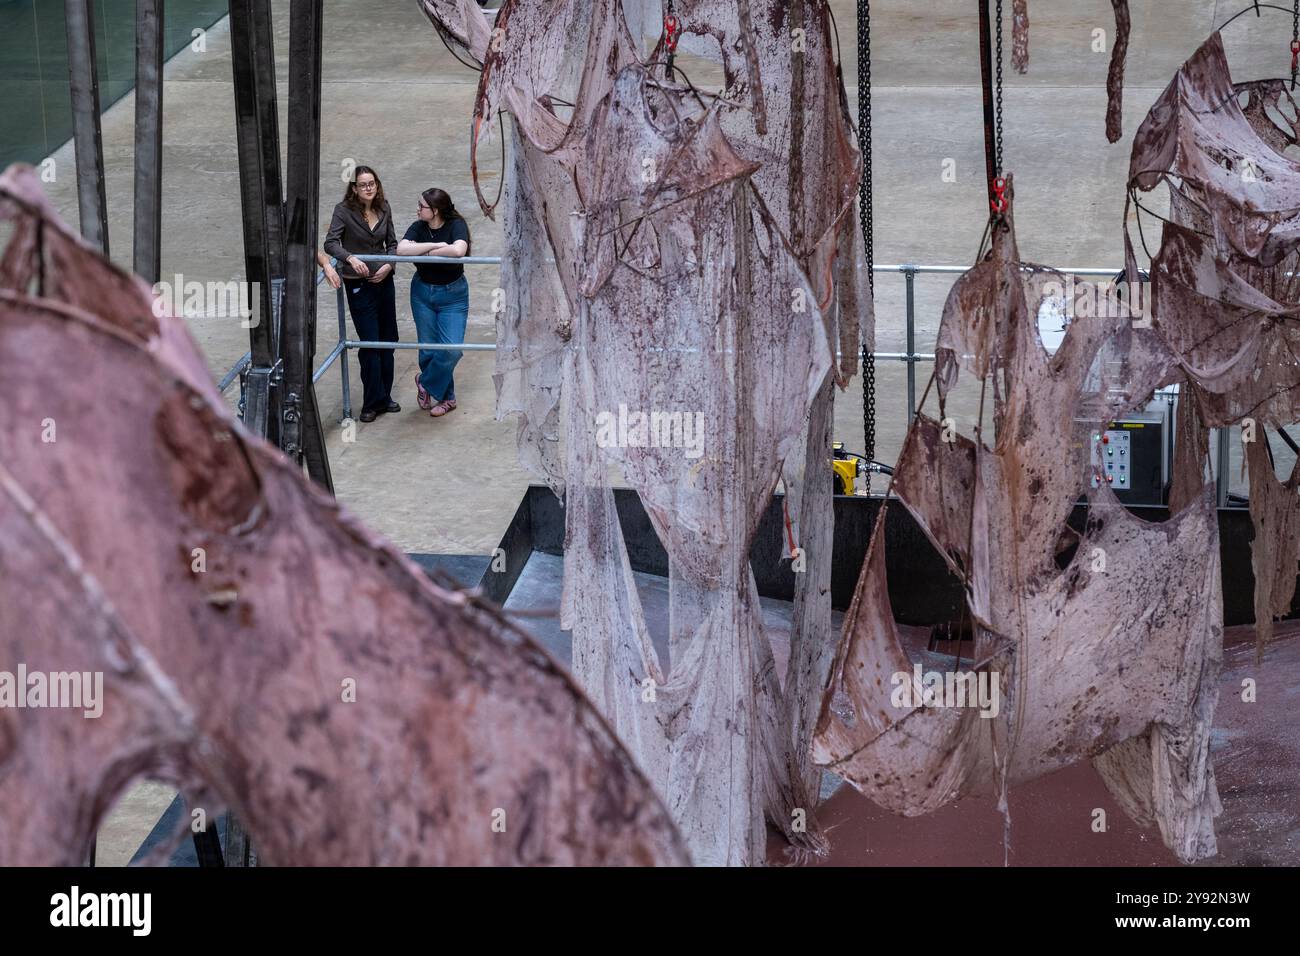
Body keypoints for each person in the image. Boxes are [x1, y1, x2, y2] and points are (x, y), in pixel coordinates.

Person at [324, 166, 400, 422]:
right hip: (358, 282)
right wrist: (350, 258)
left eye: (372, 183)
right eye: (363, 184)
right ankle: (371, 402)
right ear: (354, 189)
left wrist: (390, 265)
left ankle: (385, 396)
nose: (369, 188)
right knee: (370, 341)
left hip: (383, 279)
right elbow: (331, 243)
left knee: (388, 338)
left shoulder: (384, 207)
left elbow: (392, 242)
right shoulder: (343, 211)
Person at [397, 188, 470, 418]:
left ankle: (424, 382)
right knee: (428, 348)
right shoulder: (419, 227)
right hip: (422, 292)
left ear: (435, 210)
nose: (417, 209)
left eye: (422, 206)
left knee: (451, 349)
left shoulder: (455, 224)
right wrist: (434, 247)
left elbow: (459, 249)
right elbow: (401, 249)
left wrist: (424, 250)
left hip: (453, 294)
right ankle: (447, 398)